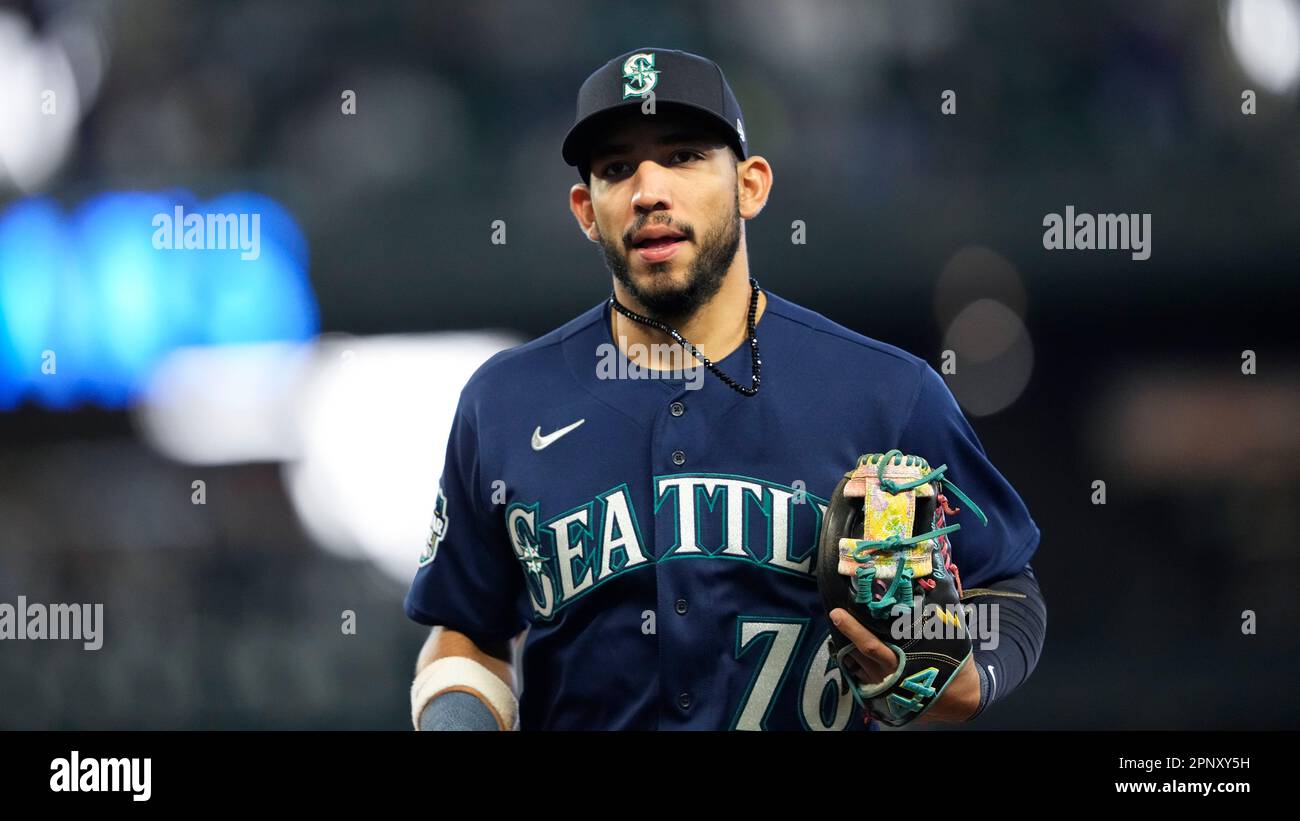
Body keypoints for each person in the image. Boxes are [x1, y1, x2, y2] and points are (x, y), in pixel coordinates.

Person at [405, 47, 1046, 731]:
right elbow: (466, 629)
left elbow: (1008, 586)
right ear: (586, 210)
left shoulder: (885, 392)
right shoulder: (505, 403)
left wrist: (971, 676)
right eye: (617, 169)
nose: (649, 191)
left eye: (682, 156)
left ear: (751, 186)